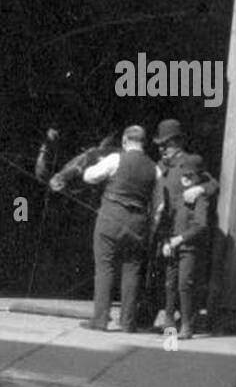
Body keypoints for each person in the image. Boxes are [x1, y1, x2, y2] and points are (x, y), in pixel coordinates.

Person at [81, 125, 162, 332]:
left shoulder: (115, 159)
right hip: (138, 223)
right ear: (144, 144)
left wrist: (97, 164)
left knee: (104, 267)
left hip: (110, 217)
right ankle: (127, 322)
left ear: (125, 140)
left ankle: (100, 320)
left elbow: (89, 177)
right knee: (132, 270)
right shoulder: (155, 169)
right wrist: (150, 227)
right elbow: (159, 205)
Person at [152, 118, 218, 332]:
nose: (163, 149)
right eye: (160, 145)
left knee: (184, 282)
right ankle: (166, 319)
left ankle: (186, 321)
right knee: (166, 280)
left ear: (178, 143)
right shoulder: (160, 166)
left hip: (186, 230)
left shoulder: (190, 164)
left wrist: (199, 190)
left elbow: (212, 183)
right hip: (165, 228)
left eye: (167, 144)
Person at [162, 154, 213, 340]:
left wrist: (180, 239)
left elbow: (201, 225)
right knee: (170, 284)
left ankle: (186, 325)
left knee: (185, 285)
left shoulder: (199, 199)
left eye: (190, 176)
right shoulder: (179, 196)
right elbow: (170, 221)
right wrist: (168, 242)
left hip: (189, 249)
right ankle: (168, 323)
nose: (185, 178)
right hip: (175, 246)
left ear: (198, 177)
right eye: (184, 175)